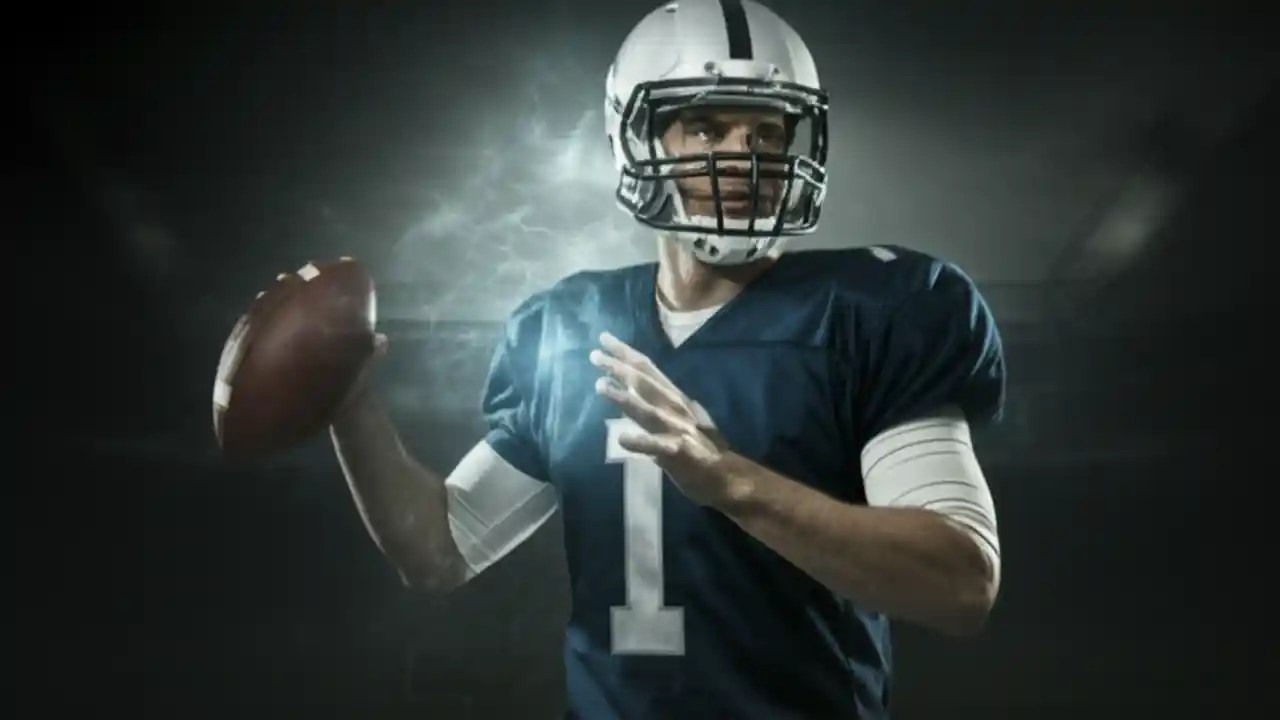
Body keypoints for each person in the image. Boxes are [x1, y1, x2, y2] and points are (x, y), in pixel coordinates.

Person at [330, 0, 1005, 717]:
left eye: (768, 130)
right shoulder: (567, 327)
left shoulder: (876, 312)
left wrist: (730, 481)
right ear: (638, 139)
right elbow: (438, 550)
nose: (745, 153)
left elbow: (960, 583)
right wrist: (346, 406)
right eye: (707, 126)